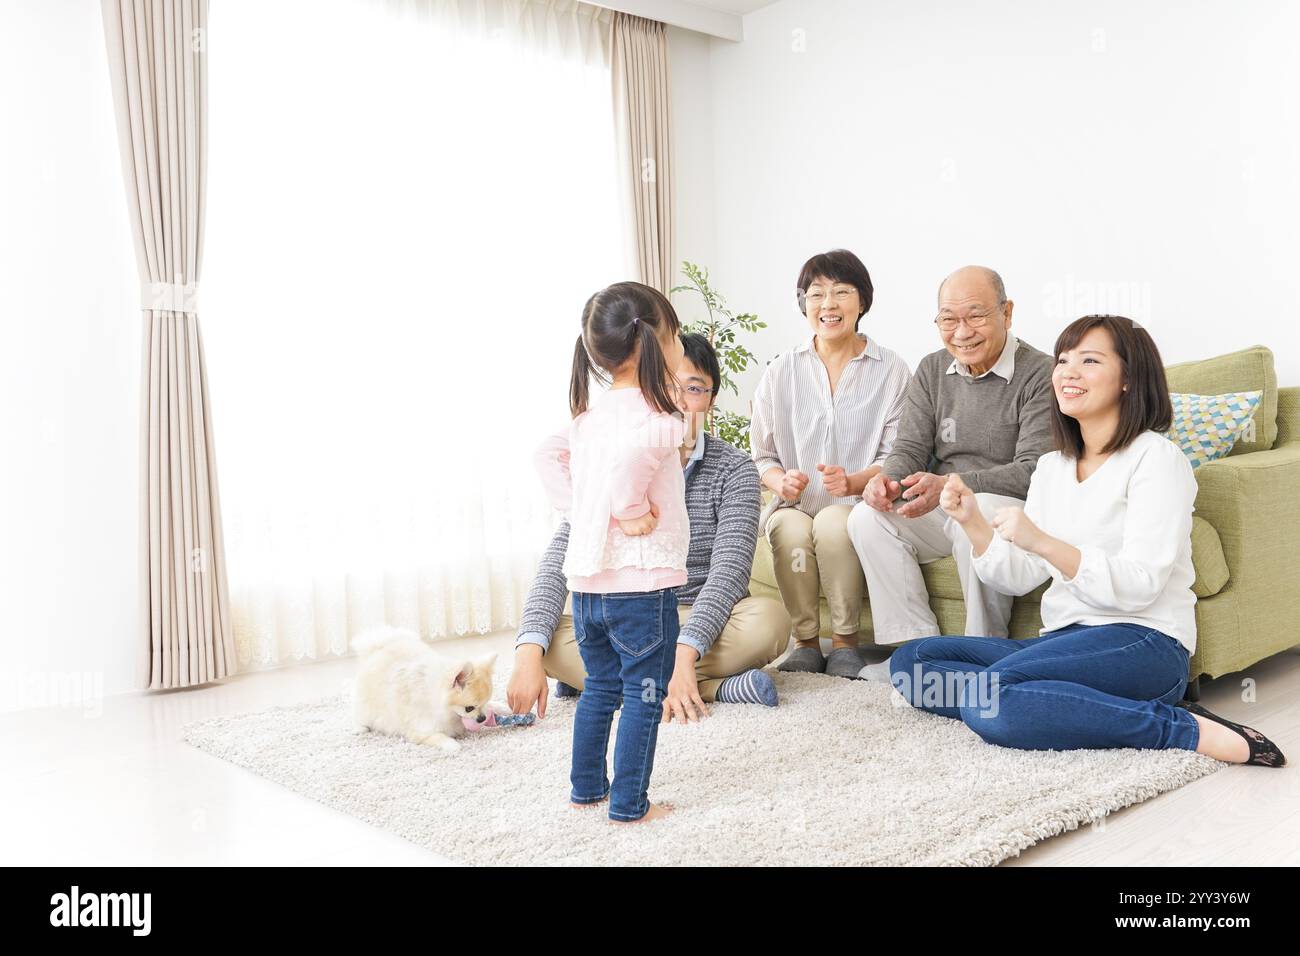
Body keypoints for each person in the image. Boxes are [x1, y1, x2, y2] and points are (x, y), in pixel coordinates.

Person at [889, 314, 1286, 767]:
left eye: (1089, 360)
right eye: (1062, 360)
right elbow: (1019, 578)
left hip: (1143, 643)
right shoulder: (1053, 466)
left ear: (1127, 380)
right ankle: (1048, 697)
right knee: (913, 665)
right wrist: (973, 522)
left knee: (989, 699)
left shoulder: (1155, 458)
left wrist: (1042, 541)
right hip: (1061, 640)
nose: (1067, 372)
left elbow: (1141, 583)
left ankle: (1183, 728)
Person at [508, 332, 791, 723]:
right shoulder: (611, 457)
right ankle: (716, 688)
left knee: (770, 621)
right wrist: (527, 654)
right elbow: (563, 554)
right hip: (626, 615)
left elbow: (730, 572)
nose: (678, 400)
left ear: (710, 399)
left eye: (694, 388)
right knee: (549, 639)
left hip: (700, 617)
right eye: (667, 385)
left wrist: (685, 651)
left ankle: (610, 682)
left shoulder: (735, 468)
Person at [532, 280, 687, 824]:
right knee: (645, 695)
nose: (680, 347)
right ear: (651, 344)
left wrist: (581, 512)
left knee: (599, 687)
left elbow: (546, 456)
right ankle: (628, 805)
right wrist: (625, 510)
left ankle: (587, 788)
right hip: (641, 589)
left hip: (590, 588)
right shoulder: (662, 421)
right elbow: (631, 469)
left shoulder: (587, 421)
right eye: (674, 336)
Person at [848, 266, 1055, 657]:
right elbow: (909, 447)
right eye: (949, 319)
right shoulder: (931, 370)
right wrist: (887, 481)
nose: (962, 332)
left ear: (1006, 313)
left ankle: (982, 651)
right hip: (944, 502)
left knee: (969, 514)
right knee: (866, 517)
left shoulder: (1041, 373)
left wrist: (951, 486)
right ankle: (917, 652)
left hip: (1007, 507)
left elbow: (1035, 471)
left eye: (976, 316)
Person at [749, 249, 911, 678]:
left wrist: (856, 479)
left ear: (862, 302)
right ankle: (805, 642)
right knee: (789, 527)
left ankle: (844, 643)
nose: (828, 304)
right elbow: (761, 454)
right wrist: (780, 480)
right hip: (796, 504)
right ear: (804, 303)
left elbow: (900, 452)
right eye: (816, 294)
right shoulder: (781, 371)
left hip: (858, 506)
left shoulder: (891, 369)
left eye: (841, 292)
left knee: (835, 525)